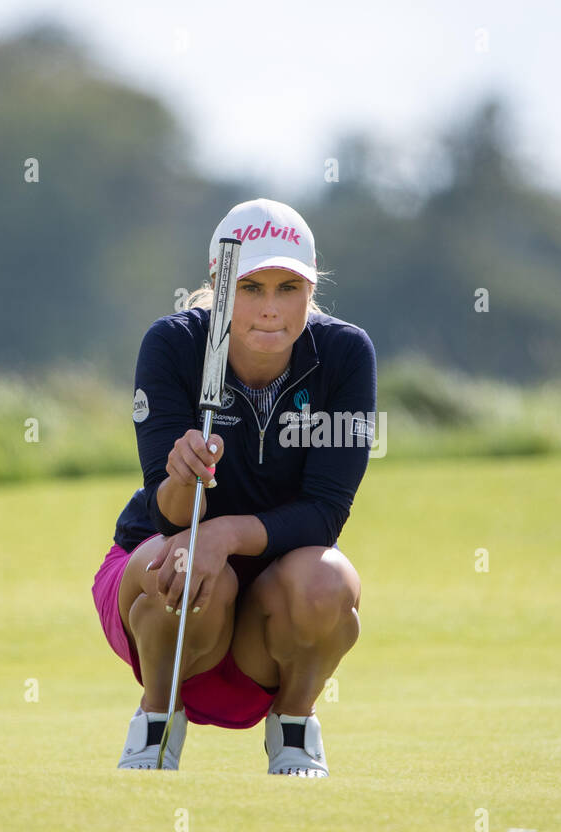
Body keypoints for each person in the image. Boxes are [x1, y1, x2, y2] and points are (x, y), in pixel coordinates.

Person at [91, 198, 377, 776]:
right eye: (250, 288)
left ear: (311, 288)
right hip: (170, 595)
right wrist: (181, 475)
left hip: (277, 618)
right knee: (185, 559)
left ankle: (294, 728)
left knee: (328, 580)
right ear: (219, 284)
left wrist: (224, 533)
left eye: (288, 288)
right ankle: (157, 724)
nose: (270, 310)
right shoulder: (174, 345)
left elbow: (324, 515)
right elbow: (169, 515)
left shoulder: (345, 354)